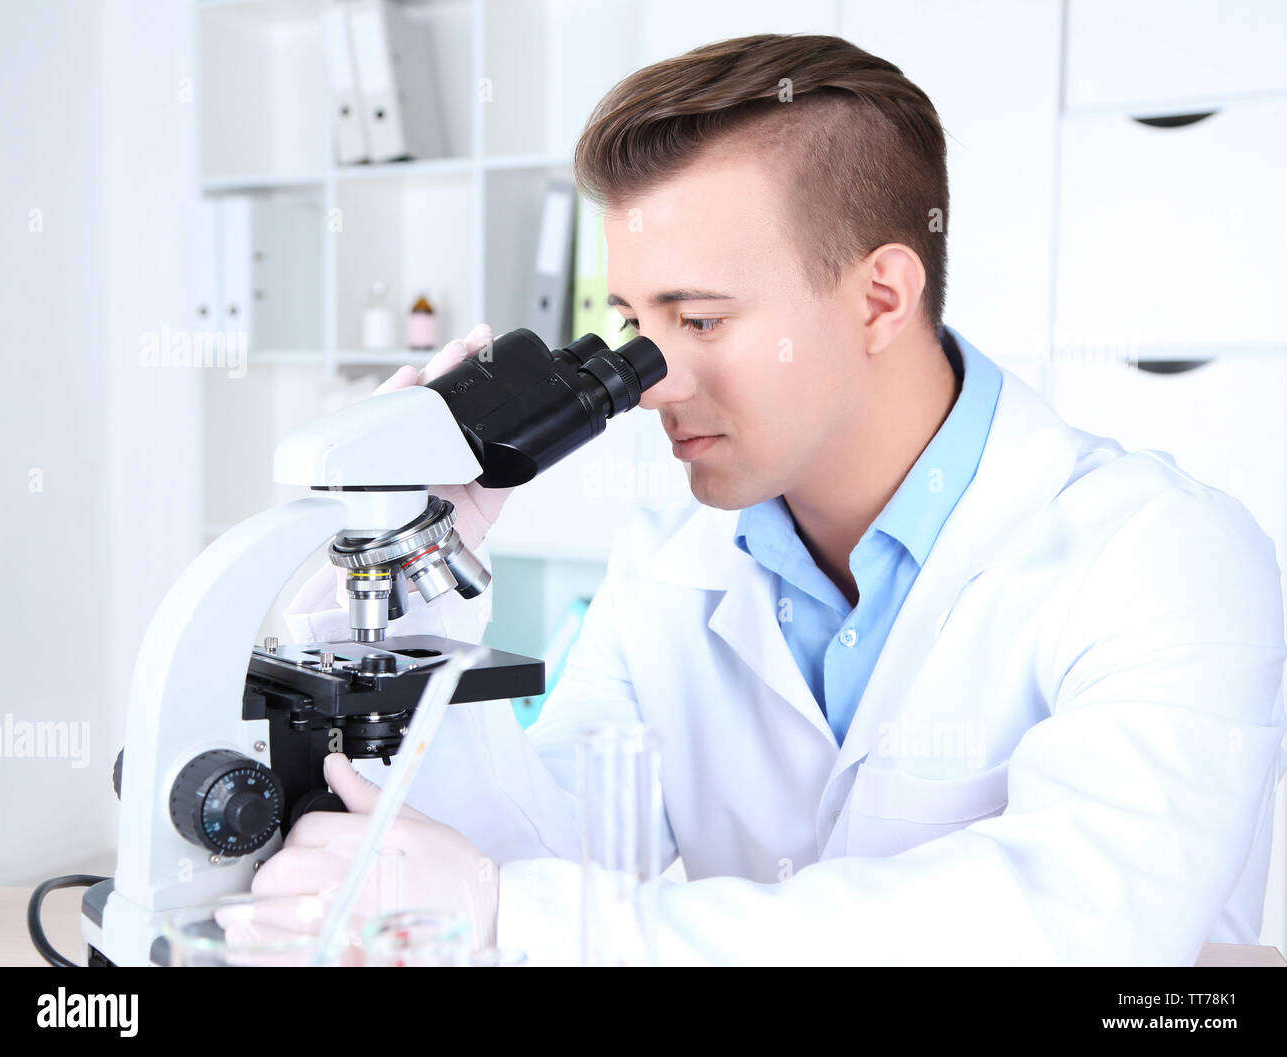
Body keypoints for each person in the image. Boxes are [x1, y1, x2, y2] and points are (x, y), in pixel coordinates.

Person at [258, 33, 1287, 965]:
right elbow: (535, 856)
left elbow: (1076, 930)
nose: (651, 378)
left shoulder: (1163, 555)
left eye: (699, 319)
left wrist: (519, 916)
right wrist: (419, 583)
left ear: (879, 296)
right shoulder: (667, 558)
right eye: (632, 324)